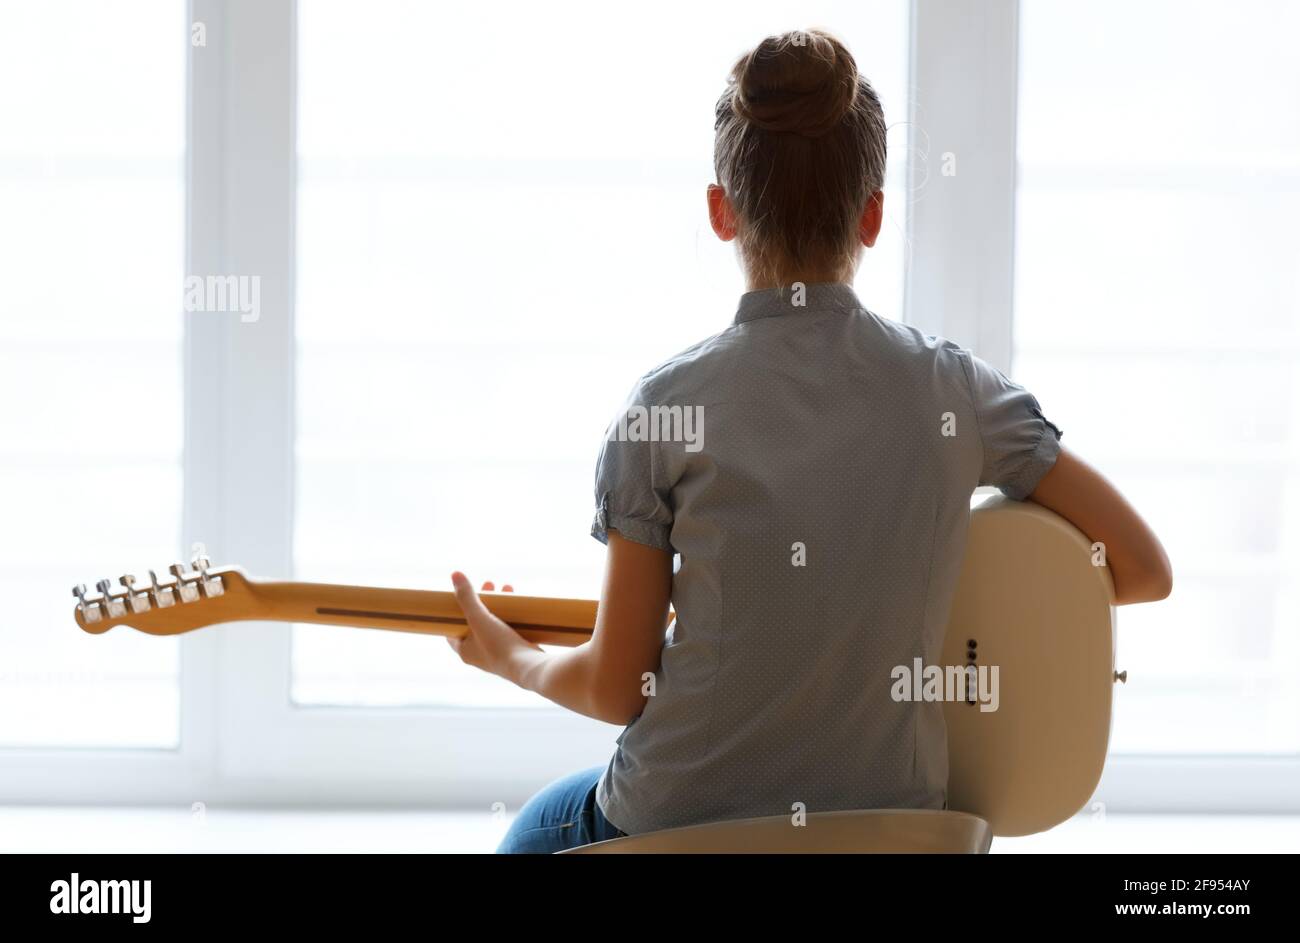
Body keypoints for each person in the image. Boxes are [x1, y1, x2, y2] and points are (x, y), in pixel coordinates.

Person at [446, 28, 1172, 854]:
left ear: (721, 211)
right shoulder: (956, 392)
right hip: (891, 828)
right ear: (873, 214)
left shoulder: (661, 409)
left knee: (533, 831)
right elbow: (1143, 569)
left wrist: (508, 656)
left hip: (675, 826)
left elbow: (618, 685)